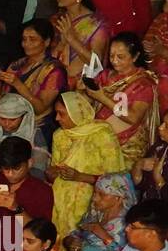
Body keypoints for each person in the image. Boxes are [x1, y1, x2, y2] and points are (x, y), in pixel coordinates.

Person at [49, 92, 126, 236]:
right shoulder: (59, 135)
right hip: (61, 201)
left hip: (92, 201)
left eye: (61, 114)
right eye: (56, 113)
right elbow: (56, 168)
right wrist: (52, 173)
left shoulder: (101, 134)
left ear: (76, 113)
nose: (56, 118)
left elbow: (116, 180)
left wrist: (81, 177)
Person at [86, 32, 159, 167]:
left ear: (135, 56)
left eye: (120, 57)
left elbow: (133, 117)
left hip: (127, 145)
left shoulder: (144, 84)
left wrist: (102, 98)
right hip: (98, 137)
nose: (114, 61)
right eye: (111, 56)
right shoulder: (106, 75)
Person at [0, 21, 66, 136]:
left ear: (47, 42)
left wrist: (18, 84)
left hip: (36, 129)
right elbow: (3, 104)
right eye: (24, 39)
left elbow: (40, 108)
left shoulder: (54, 70)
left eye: (32, 39)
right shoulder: (17, 65)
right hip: (8, 125)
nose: (26, 44)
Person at [51, 0, 111, 91]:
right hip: (54, 83)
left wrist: (72, 40)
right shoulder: (57, 19)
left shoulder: (97, 24)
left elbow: (96, 64)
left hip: (82, 86)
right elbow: (49, 57)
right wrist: (62, 43)